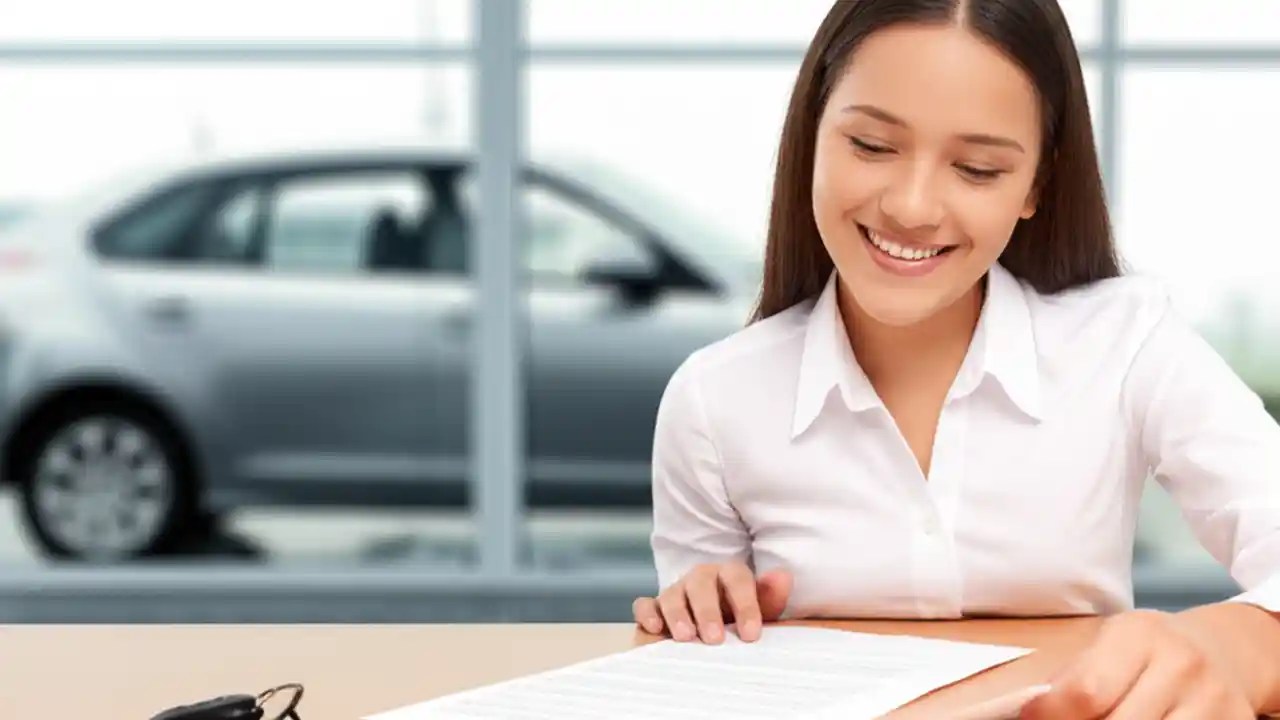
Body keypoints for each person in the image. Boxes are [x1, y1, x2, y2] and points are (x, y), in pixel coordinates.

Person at [629, 0, 1280, 717]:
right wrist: (703, 609)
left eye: (976, 169)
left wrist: (1240, 642)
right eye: (873, 147)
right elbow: (695, 661)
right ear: (811, 133)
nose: (912, 206)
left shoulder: (1126, 345)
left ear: (1036, 185)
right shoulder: (714, 400)